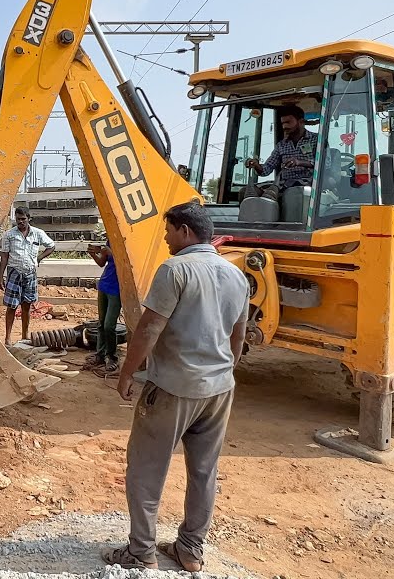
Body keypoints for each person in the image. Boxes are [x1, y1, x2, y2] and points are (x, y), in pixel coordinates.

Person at [101, 201, 248, 573]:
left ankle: (141, 551)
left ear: (185, 231)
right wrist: (222, 371)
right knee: (204, 471)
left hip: (173, 387)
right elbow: (238, 336)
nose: (166, 239)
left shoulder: (175, 270)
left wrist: (126, 373)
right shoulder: (236, 275)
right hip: (219, 390)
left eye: (168, 231)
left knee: (146, 468)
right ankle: (190, 551)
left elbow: (149, 328)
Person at [0, 207, 55, 345]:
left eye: (23, 219)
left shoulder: (38, 233)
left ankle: (24, 336)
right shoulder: (9, 235)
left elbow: (51, 246)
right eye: (18, 219)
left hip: (30, 273)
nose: (21, 222)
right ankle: (8, 338)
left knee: (26, 306)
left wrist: (39, 258)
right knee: (11, 306)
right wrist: (0, 276)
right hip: (14, 272)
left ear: (28, 219)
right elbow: (4, 256)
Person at [243, 104, 318, 201]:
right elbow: (266, 169)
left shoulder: (316, 140)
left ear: (301, 122)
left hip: (309, 185)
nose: (284, 126)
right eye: (283, 123)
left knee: (293, 194)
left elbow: (326, 165)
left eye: (288, 122)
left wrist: (299, 162)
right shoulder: (281, 145)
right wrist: (256, 165)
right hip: (284, 185)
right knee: (245, 192)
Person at [85, 240, 122, 376]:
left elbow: (126, 265)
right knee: (101, 324)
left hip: (117, 289)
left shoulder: (128, 244)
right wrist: (94, 254)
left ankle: (112, 356)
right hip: (105, 285)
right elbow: (102, 263)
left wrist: (111, 253)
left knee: (109, 326)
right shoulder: (111, 241)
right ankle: (100, 355)